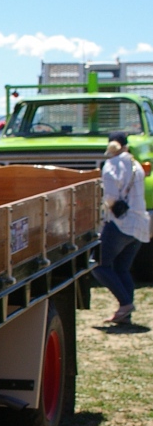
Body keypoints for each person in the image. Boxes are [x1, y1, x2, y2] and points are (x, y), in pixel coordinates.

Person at [92, 132, 149, 324]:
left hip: (120, 223)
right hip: (140, 223)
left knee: (99, 265)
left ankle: (125, 304)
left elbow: (110, 197)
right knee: (122, 269)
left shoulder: (111, 165)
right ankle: (126, 313)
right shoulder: (136, 165)